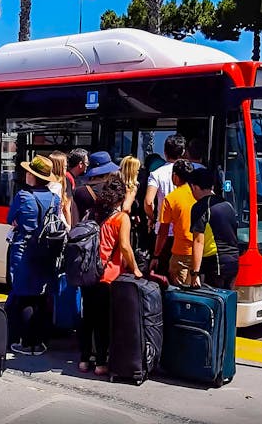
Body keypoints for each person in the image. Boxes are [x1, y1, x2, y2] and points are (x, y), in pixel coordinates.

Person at [78, 175, 142, 376]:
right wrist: (135, 268)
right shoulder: (120, 218)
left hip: (88, 273)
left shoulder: (92, 213)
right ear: (120, 198)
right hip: (108, 276)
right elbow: (124, 246)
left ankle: (83, 359)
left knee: (87, 318)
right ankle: (101, 363)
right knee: (103, 321)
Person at [6, 155, 60, 356]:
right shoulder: (55, 198)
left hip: (24, 250)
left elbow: (11, 218)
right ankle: (39, 340)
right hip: (46, 251)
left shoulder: (23, 196)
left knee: (24, 295)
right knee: (40, 296)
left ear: (33, 176)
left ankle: (27, 342)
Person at [187, 168, 239, 290]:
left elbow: (198, 241)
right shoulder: (227, 204)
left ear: (194, 187)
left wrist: (195, 273)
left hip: (215, 262)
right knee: (226, 301)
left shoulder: (200, 207)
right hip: (233, 261)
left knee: (213, 302)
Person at [143, 134, 186, 277]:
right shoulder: (190, 172)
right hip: (185, 231)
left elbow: (148, 201)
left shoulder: (156, 174)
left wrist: (152, 217)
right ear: (183, 152)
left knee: (161, 275)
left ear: (165, 152)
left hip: (163, 231)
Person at [152, 160, 195, 286]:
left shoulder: (171, 199)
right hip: (201, 251)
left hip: (181, 252)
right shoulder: (198, 193)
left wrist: (156, 255)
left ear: (175, 176)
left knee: (180, 294)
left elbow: (163, 231)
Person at [71, 151, 118, 224]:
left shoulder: (79, 191)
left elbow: (74, 217)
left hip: (86, 232)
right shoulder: (113, 188)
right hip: (107, 232)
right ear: (108, 172)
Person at [48, 150, 72, 228]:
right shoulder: (61, 184)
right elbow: (66, 209)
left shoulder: (45, 182)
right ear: (59, 168)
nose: (66, 169)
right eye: (65, 167)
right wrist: (69, 227)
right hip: (58, 223)